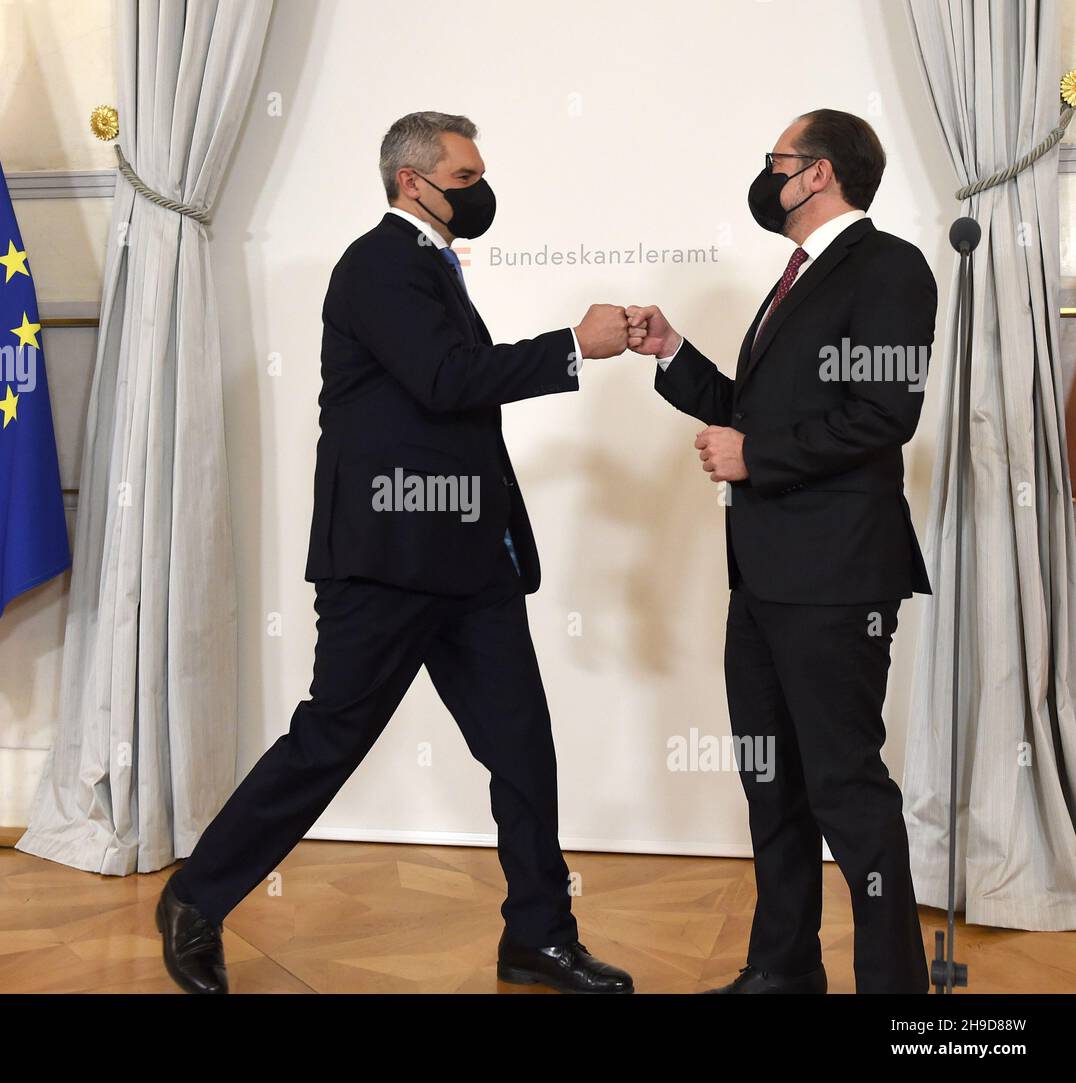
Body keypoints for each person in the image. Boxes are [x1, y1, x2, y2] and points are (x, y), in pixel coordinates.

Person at [157, 110, 634, 994]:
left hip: (469, 563)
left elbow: (450, 400)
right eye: (464, 177)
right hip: (385, 560)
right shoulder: (378, 262)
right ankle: (194, 898)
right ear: (412, 181)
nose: (479, 191)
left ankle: (538, 934)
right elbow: (449, 381)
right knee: (330, 738)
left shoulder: (430, 268)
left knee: (523, 747)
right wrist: (574, 344)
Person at [627, 108, 935, 994]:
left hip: (838, 581)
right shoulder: (796, 278)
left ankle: (895, 992)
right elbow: (753, 409)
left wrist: (755, 456)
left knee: (847, 789)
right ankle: (784, 968)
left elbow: (885, 413)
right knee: (773, 787)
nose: (767, 174)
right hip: (761, 581)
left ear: (820, 174)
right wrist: (674, 351)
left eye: (779, 161)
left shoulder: (889, 267)